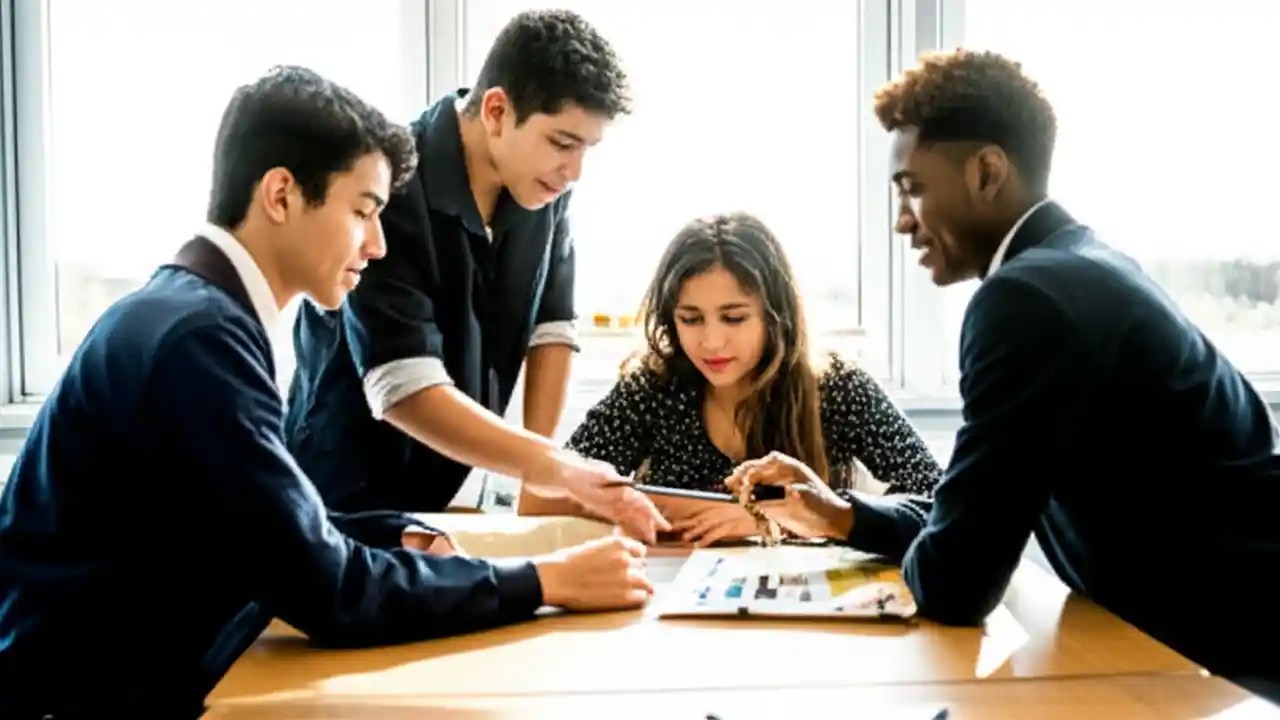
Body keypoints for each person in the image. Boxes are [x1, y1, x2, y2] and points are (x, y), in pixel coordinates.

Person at [0, 66, 656, 719]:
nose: (375, 244)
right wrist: (546, 581)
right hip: (85, 696)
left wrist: (394, 533)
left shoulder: (195, 313)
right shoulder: (199, 340)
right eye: (363, 212)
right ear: (281, 195)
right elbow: (325, 589)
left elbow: (267, 534)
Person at [728, 49, 1280, 702]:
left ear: (987, 171)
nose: (902, 221)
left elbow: (957, 580)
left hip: (1228, 656)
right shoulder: (1079, 266)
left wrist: (942, 549)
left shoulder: (1027, 301)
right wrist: (840, 515)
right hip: (1205, 649)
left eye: (912, 188)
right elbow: (979, 515)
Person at [283, 10, 664, 541]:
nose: (574, 170)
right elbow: (403, 387)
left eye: (585, 148)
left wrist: (544, 470)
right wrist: (551, 467)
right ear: (497, 110)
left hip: (434, 499)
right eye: (561, 143)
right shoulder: (389, 187)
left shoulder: (543, 189)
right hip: (340, 495)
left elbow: (552, 329)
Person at [522, 212, 942, 546]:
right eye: (690, 319)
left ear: (776, 316)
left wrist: (776, 516)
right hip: (673, 606)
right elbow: (540, 499)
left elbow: (938, 501)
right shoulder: (652, 387)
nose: (711, 341)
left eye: (734, 318)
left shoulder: (837, 387)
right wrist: (637, 505)